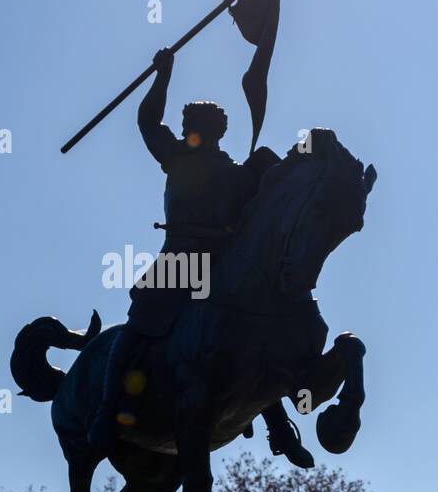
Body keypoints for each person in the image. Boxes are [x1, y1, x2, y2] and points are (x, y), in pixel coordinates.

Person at [87, 47, 313, 467]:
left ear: (218, 130)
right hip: (181, 260)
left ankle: (278, 427)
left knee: (248, 334)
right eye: (191, 124)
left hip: (224, 263)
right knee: (140, 324)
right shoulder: (178, 158)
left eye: (202, 124)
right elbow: (146, 122)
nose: (195, 129)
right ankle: (106, 410)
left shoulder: (238, 174)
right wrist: (163, 76)